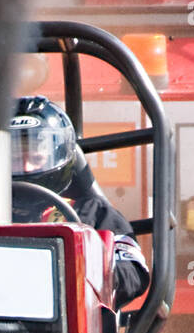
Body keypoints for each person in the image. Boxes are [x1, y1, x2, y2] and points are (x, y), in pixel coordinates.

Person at [8, 94, 149, 307]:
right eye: (17, 159)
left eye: (36, 158)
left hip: (73, 324)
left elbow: (133, 273)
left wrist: (85, 269)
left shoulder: (93, 213)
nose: (27, 167)